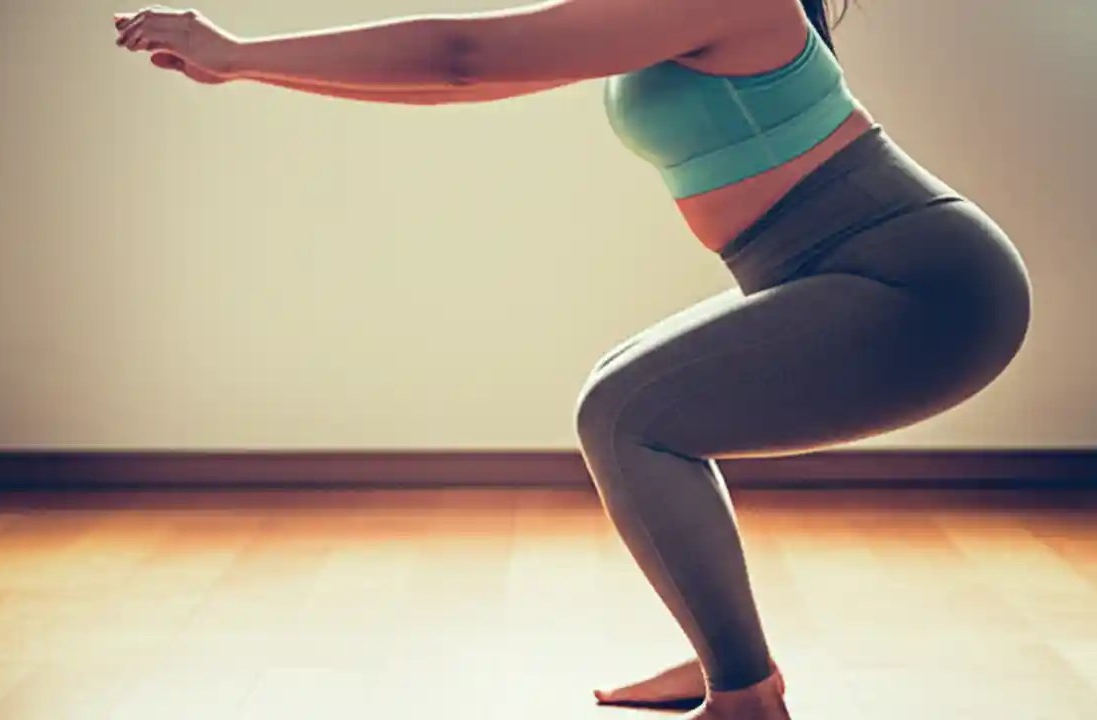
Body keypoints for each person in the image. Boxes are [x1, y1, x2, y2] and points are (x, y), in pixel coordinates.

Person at [114, 1, 1032, 717]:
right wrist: (244, 66)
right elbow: (458, 82)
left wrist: (240, 52)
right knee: (626, 394)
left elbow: (462, 57)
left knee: (629, 414)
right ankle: (726, 659)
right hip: (853, 271)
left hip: (925, 286)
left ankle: (747, 699)